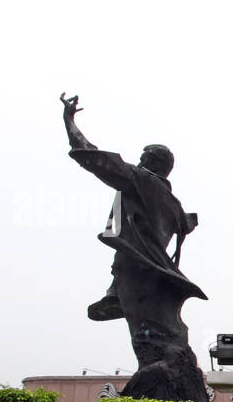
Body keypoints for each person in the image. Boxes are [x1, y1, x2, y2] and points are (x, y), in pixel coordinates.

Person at [60, 92, 204, 321]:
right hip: (157, 274)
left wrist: (69, 121)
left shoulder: (140, 180)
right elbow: (184, 224)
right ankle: (115, 292)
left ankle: (116, 293)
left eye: (143, 158)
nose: (139, 162)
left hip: (136, 268)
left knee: (147, 335)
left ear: (151, 163)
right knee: (160, 332)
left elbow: (95, 158)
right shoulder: (173, 203)